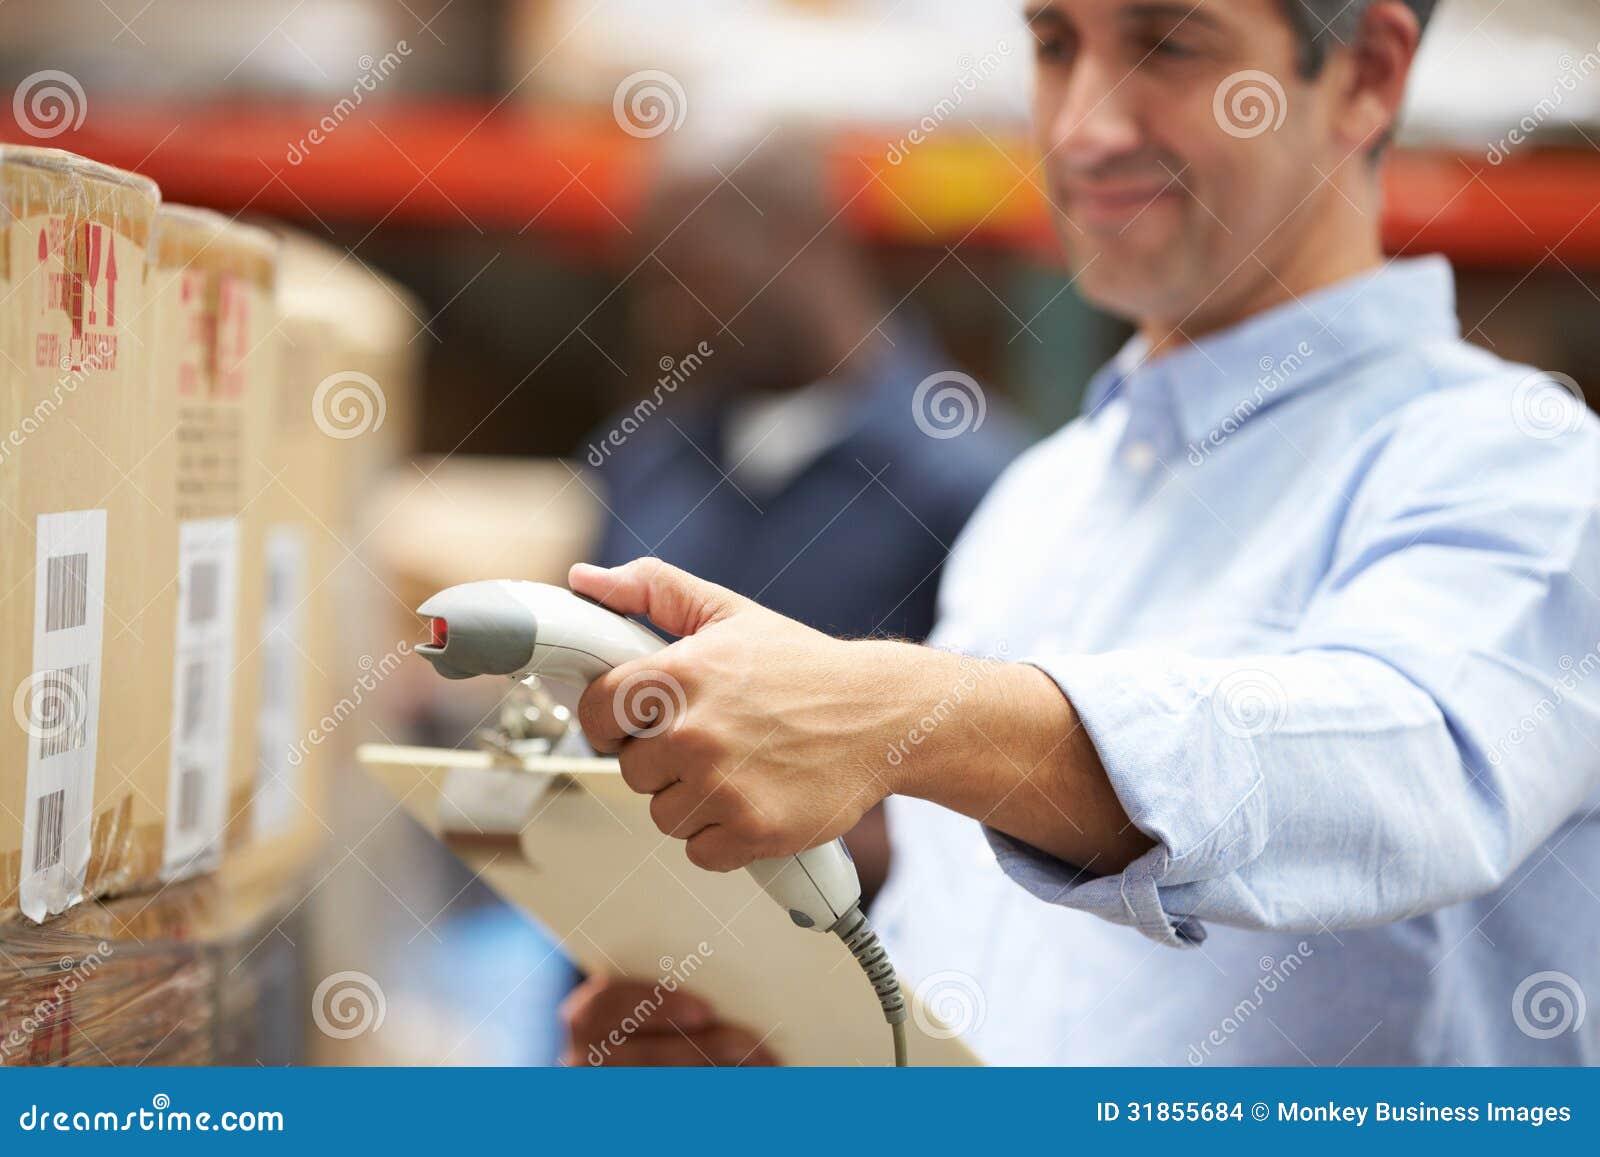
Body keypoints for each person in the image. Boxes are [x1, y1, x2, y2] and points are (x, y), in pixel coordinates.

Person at [560, 0, 1600, 1067]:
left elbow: (1403, 768)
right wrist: (781, 1060)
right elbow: (982, 993)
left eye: (1171, 44)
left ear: (1368, 71)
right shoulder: (1037, 506)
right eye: (1056, 45)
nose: (1083, 129)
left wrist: (900, 712)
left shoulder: (1522, 468)